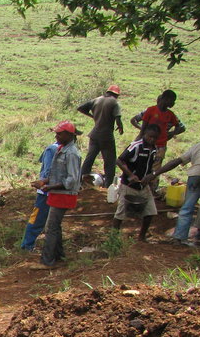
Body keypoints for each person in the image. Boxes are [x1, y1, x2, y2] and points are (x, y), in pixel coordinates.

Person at [31, 121, 82, 269]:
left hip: (64, 194)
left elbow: (71, 179)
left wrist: (49, 187)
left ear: (69, 135)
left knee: (51, 227)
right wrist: (44, 182)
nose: (56, 136)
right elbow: (58, 174)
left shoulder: (71, 153)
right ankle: (59, 256)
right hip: (58, 192)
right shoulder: (62, 148)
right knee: (55, 226)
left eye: (59, 133)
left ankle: (47, 261)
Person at [112, 124, 160, 241]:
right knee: (121, 212)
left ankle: (141, 237)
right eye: (150, 137)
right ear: (144, 134)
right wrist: (130, 175)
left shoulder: (154, 149)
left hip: (143, 185)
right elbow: (119, 160)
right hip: (129, 185)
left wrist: (150, 178)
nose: (152, 139)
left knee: (150, 211)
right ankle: (113, 237)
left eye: (154, 138)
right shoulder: (136, 146)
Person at [131, 90, 186, 194]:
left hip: (160, 146)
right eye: (172, 101)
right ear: (166, 99)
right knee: (140, 165)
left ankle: (151, 191)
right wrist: (138, 141)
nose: (173, 103)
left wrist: (171, 134)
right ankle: (137, 187)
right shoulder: (151, 110)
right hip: (146, 144)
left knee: (155, 170)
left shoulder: (170, 115)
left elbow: (180, 127)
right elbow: (143, 129)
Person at [78, 84, 124, 186]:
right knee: (110, 161)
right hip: (107, 136)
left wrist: (93, 116)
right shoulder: (114, 102)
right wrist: (120, 127)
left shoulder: (96, 100)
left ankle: (80, 181)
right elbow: (118, 118)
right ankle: (108, 185)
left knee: (89, 159)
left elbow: (80, 108)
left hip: (95, 135)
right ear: (116, 95)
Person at [20, 139, 60, 251]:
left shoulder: (66, 150)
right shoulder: (52, 149)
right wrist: (46, 184)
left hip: (56, 191)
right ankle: (27, 246)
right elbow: (47, 171)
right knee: (37, 219)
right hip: (45, 192)